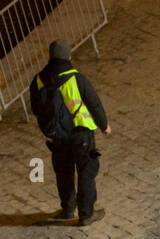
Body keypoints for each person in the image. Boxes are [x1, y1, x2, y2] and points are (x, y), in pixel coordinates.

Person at [30, 40, 111, 227]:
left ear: (50, 57)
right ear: (69, 57)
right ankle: (86, 214)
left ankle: (67, 209)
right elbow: (94, 103)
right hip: (81, 133)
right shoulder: (77, 79)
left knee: (63, 172)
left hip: (57, 136)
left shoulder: (39, 80)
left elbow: (36, 108)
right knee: (86, 171)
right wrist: (104, 125)